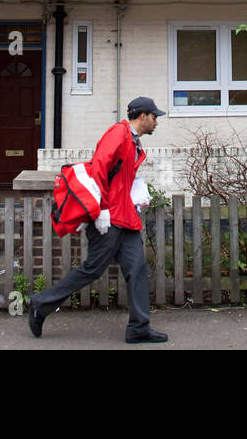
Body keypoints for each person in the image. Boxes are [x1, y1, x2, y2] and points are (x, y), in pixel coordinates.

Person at [28, 96, 168, 344]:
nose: (156, 122)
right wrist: (101, 209)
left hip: (125, 217)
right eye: (154, 117)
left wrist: (136, 193)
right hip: (109, 217)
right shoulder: (119, 132)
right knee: (92, 269)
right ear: (143, 116)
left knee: (137, 268)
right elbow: (100, 166)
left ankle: (139, 328)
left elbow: (118, 178)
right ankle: (40, 304)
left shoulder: (133, 142)